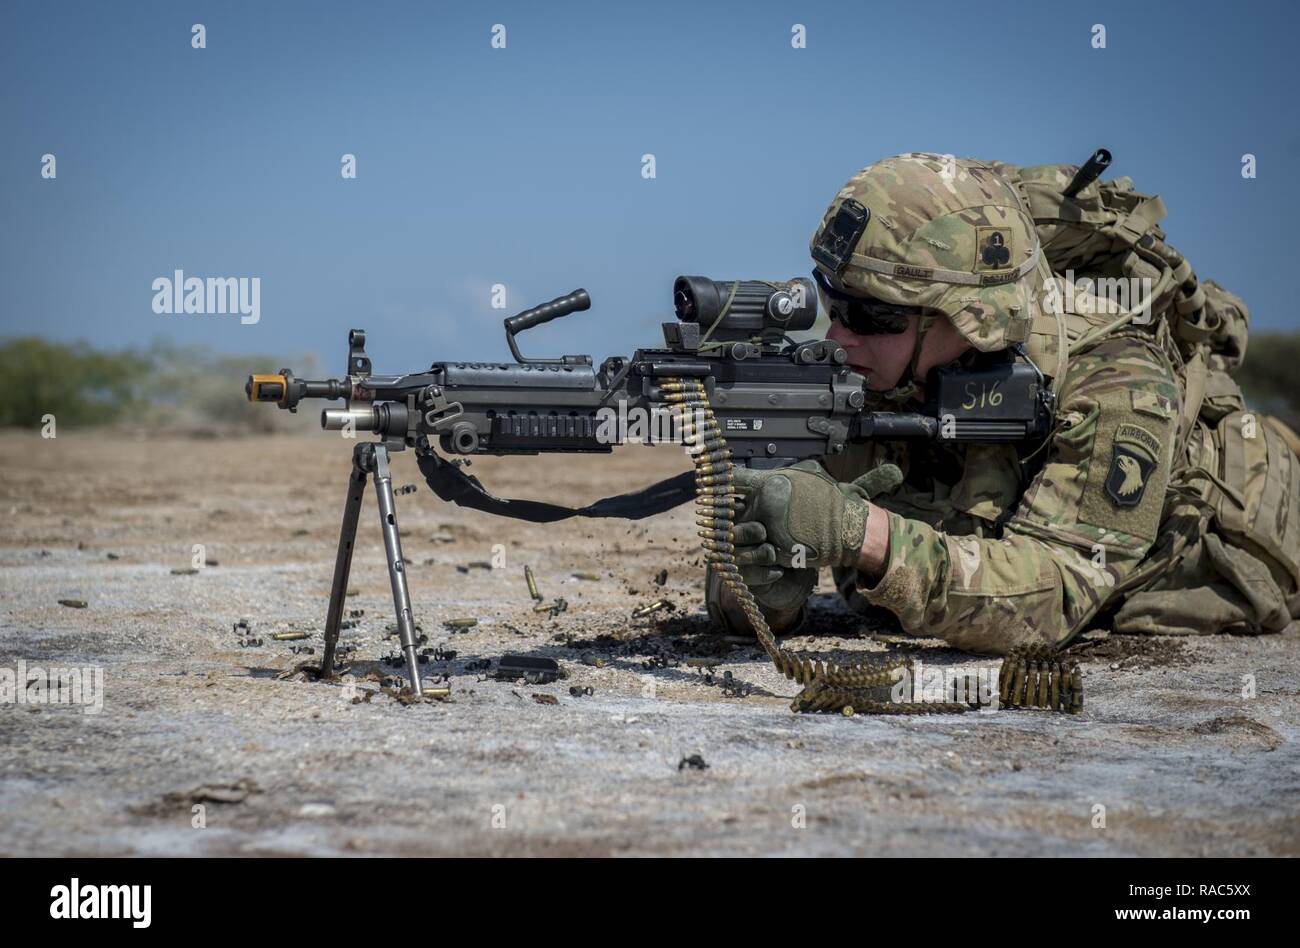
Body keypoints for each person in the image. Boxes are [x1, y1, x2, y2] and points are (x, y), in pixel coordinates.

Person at [709, 153, 1299, 653]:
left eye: (874, 317)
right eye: (834, 307)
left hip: (1244, 536)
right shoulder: (869, 374)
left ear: (973, 316)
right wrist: (761, 588)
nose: (839, 339)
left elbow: (1058, 593)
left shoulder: (1118, 377)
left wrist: (863, 535)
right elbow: (749, 564)